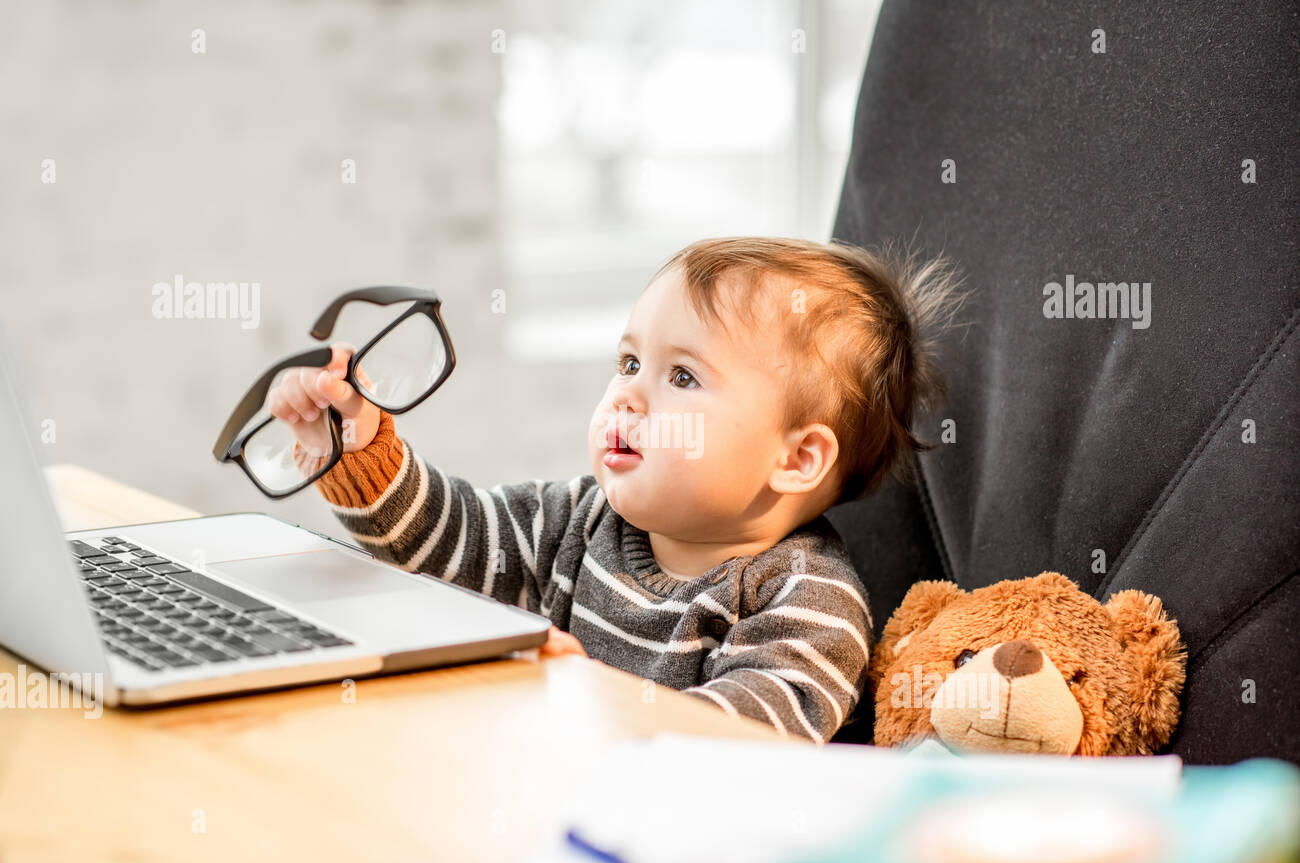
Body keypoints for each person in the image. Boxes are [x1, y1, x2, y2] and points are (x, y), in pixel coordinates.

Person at [272, 237, 965, 743]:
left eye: (683, 376)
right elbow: (443, 538)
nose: (628, 393)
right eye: (630, 360)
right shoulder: (582, 516)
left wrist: (588, 697)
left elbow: (742, 746)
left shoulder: (807, 600)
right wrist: (356, 443)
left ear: (797, 457)